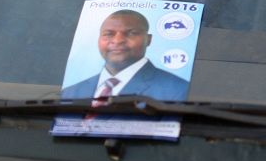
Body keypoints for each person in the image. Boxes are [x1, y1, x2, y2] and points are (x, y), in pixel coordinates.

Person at [61, 10, 189, 102]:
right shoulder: (70, 92)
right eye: (109, 34)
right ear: (99, 38)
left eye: (131, 33)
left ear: (148, 40)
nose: (117, 41)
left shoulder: (178, 91)